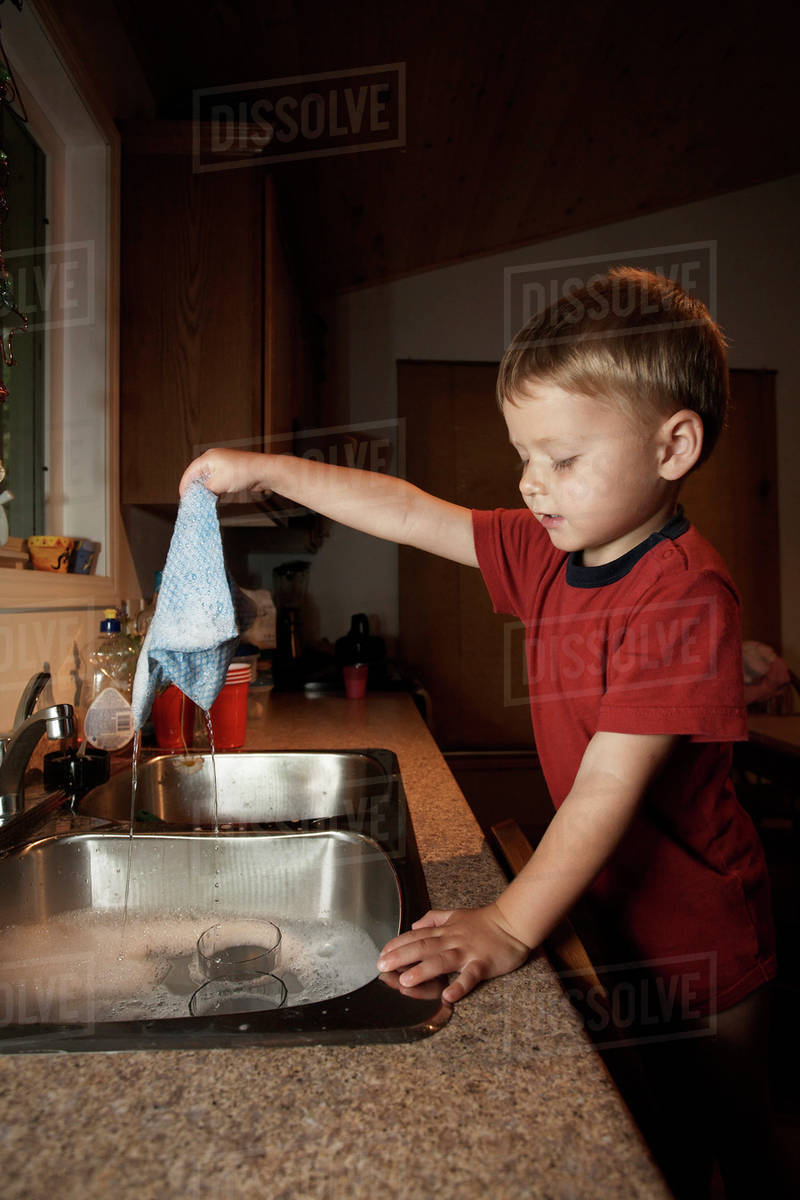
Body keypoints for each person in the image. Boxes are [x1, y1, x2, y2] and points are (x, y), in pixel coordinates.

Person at [179, 268, 784, 1198]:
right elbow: (412, 512)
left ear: (674, 446)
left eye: (562, 458)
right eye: (523, 455)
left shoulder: (684, 597)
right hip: (605, 919)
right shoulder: (550, 549)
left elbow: (606, 790)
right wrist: (267, 469)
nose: (531, 483)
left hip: (704, 952)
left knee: (733, 1145)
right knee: (653, 1138)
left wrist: (505, 922)